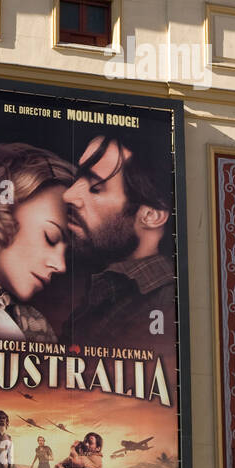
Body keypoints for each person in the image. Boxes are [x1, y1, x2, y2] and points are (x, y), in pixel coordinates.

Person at [61, 133, 175, 350]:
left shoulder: (163, 304)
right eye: (77, 180)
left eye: (96, 187)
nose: (68, 196)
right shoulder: (109, 292)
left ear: (151, 215)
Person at [0, 143, 75, 343]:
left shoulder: (35, 324)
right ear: (0, 206)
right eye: (50, 237)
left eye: (67, 254)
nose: (60, 266)